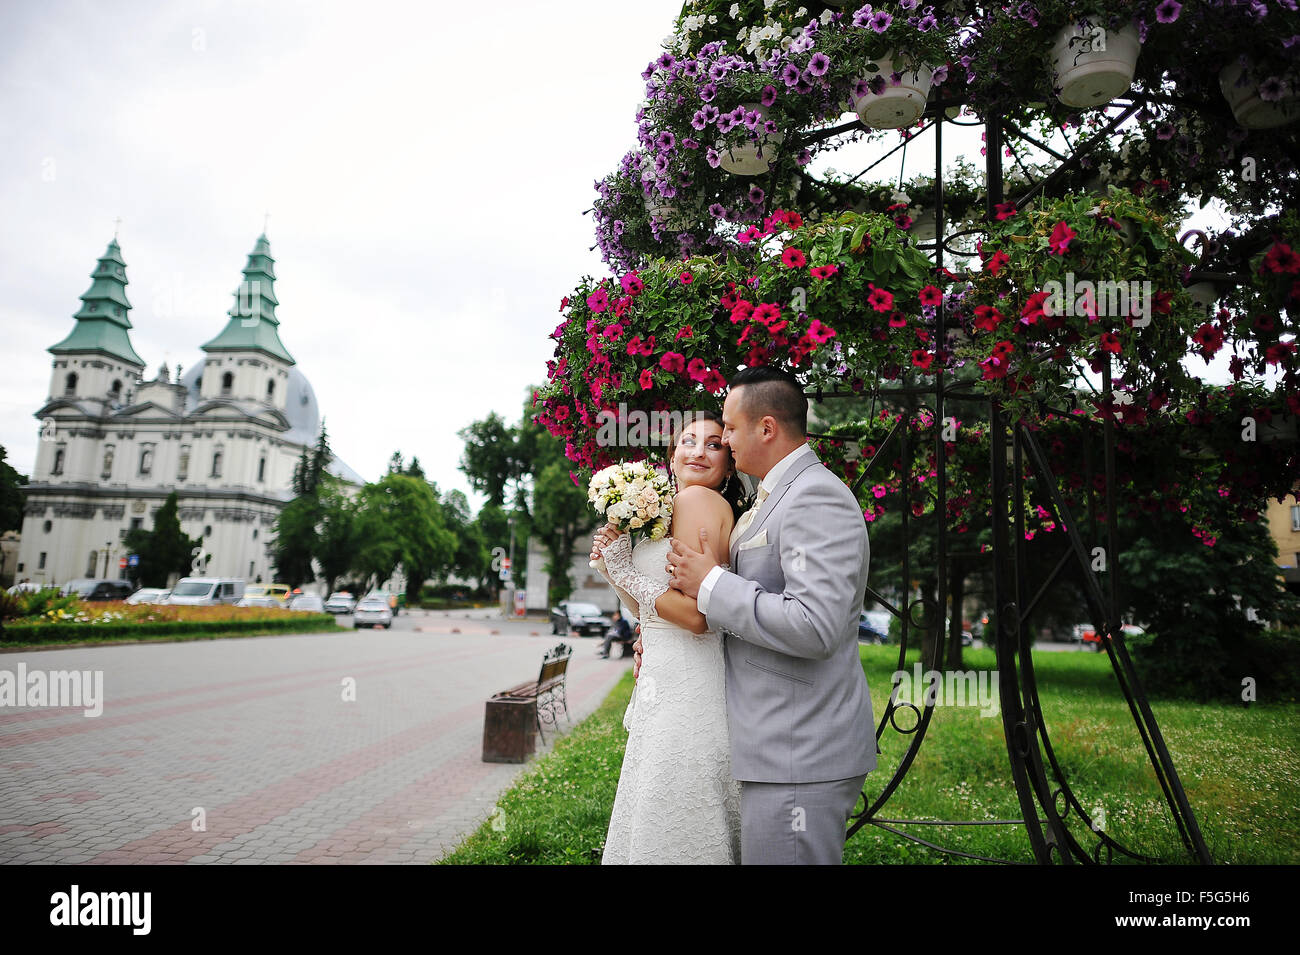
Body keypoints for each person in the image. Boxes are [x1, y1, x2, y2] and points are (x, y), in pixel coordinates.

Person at [661, 366, 876, 865]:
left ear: (767, 428)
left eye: (730, 429)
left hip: (800, 750)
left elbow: (814, 625)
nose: (725, 440)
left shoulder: (814, 496)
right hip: (775, 746)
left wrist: (710, 583)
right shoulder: (774, 494)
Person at [589, 410, 746, 864]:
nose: (699, 451)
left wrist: (624, 570)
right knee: (663, 807)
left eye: (714, 444)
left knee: (674, 807)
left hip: (687, 682)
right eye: (688, 441)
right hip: (668, 675)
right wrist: (612, 570)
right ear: (670, 456)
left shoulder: (698, 501)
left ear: (729, 465)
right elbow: (653, 615)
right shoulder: (674, 510)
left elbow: (699, 617)